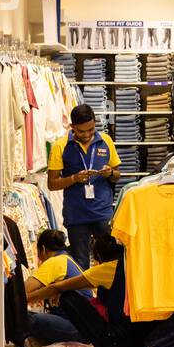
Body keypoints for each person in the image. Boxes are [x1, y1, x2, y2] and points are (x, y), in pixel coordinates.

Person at [31, 231, 136, 347]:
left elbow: (54, 288)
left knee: (67, 297)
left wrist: (20, 300)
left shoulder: (107, 269)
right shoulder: (133, 267)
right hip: (138, 343)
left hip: (116, 342)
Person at [47, 104, 121, 267]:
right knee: (80, 264)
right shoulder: (60, 145)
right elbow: (52, 184)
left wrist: (109, 173)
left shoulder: (106, 141)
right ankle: (84, 293)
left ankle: (108, 293)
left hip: (103, 213)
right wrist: (74, 178)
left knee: (111, 262)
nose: (87, 135)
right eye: (81, 131)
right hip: (76, 216)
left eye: (91, 129)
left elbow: (117, 175)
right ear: (72, 127)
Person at [21, 229, 91, 347]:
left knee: (25, 318)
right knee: (28, 316)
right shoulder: (68, 259)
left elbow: (22, 291)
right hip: (84, 325)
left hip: (77, 328)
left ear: (42, 249)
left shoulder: (54, 262)